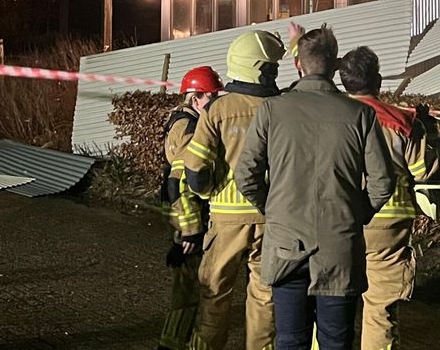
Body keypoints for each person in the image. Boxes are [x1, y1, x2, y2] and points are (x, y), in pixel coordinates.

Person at [235, 26, 396, 350]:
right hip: (339, 245)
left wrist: (272, 209)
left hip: (285, 245)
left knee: (290, 340)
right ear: (335, 63)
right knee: (336, 341)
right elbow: (382, 181)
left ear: (298, 65)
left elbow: (246, 174)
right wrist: (358, 212)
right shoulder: (360, 115)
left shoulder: (271, 110)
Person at [177, 30, 286, 350]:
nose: (274, 73)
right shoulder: (282, 107)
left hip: (226, 220)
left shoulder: (218, 110)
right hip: (271, 219)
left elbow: (195, 169)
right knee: (265, 297)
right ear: (259, 67)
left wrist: (210, 194)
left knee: (215, 295)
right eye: (271, 67)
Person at [338, 45, 440, 350]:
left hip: (338, 221)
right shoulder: (404, 121)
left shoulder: (329, 117)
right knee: (379, 310)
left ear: (344, 81)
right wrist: (429, 132)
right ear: (378, 80)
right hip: (388, 226)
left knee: (330, 306)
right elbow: (425, 171)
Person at [158, 66, 223, 350]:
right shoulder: (188, 127)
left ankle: (172, 343)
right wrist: (191, 232)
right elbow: (179, 182)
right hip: (191, 220)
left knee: (190, 291)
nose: (216, 101)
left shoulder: (188, 122)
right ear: (195, 98)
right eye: (211, 96)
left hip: (188, 218)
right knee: (190, 292)